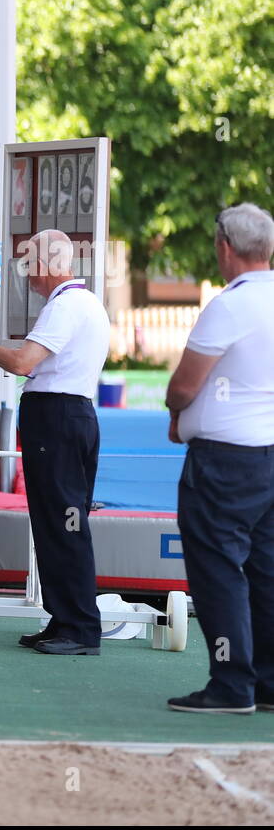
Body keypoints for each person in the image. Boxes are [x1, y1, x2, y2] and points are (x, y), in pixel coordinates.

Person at [0, 228, 110, 655]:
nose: (25, 271)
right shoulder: (80, 303)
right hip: (67, 416)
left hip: (58, 418)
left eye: (29, 261)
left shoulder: (66, 306)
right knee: (58, 521)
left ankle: (80, 626)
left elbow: (23, 361)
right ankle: (66, 618)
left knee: (63, 523)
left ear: (49, 264)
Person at [164, 203, 274, 714]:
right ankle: (266, 682)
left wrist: (176, 415)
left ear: (224, 248)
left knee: (217, 570)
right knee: (266, 569)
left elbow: (185, 386)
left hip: (227, 461)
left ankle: (231, 683)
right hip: (268, 456)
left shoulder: (230, 305)